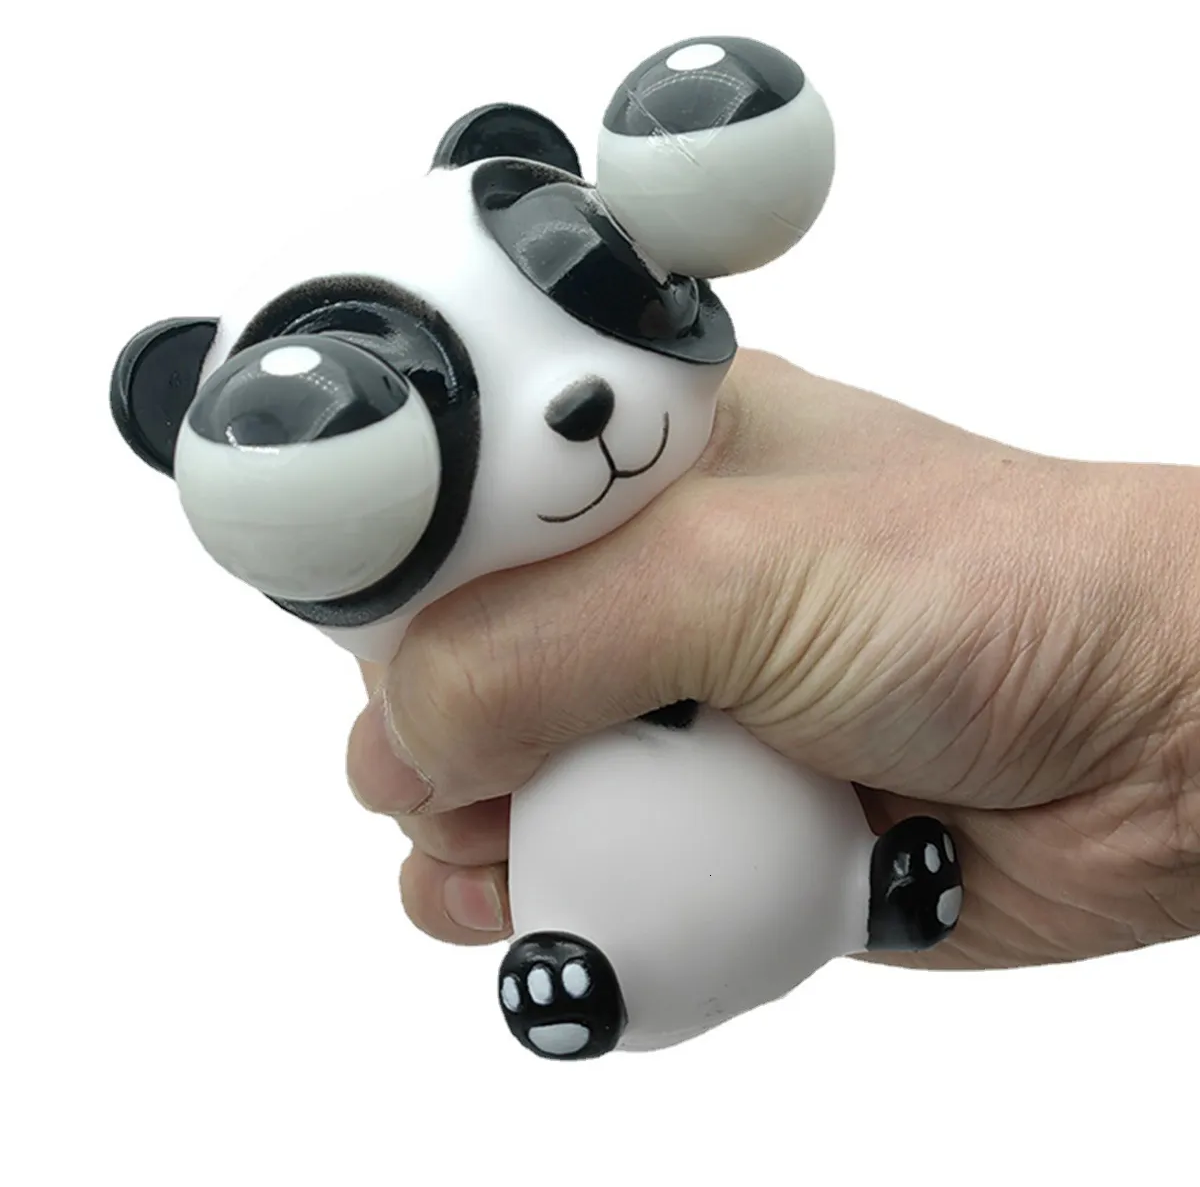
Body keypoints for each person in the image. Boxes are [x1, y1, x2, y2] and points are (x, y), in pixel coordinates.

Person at [345, 350, 1200, 968]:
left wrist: (1167, 704)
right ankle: (592, 976)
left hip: (829, 827)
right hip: (642, 888)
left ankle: (868, 899)